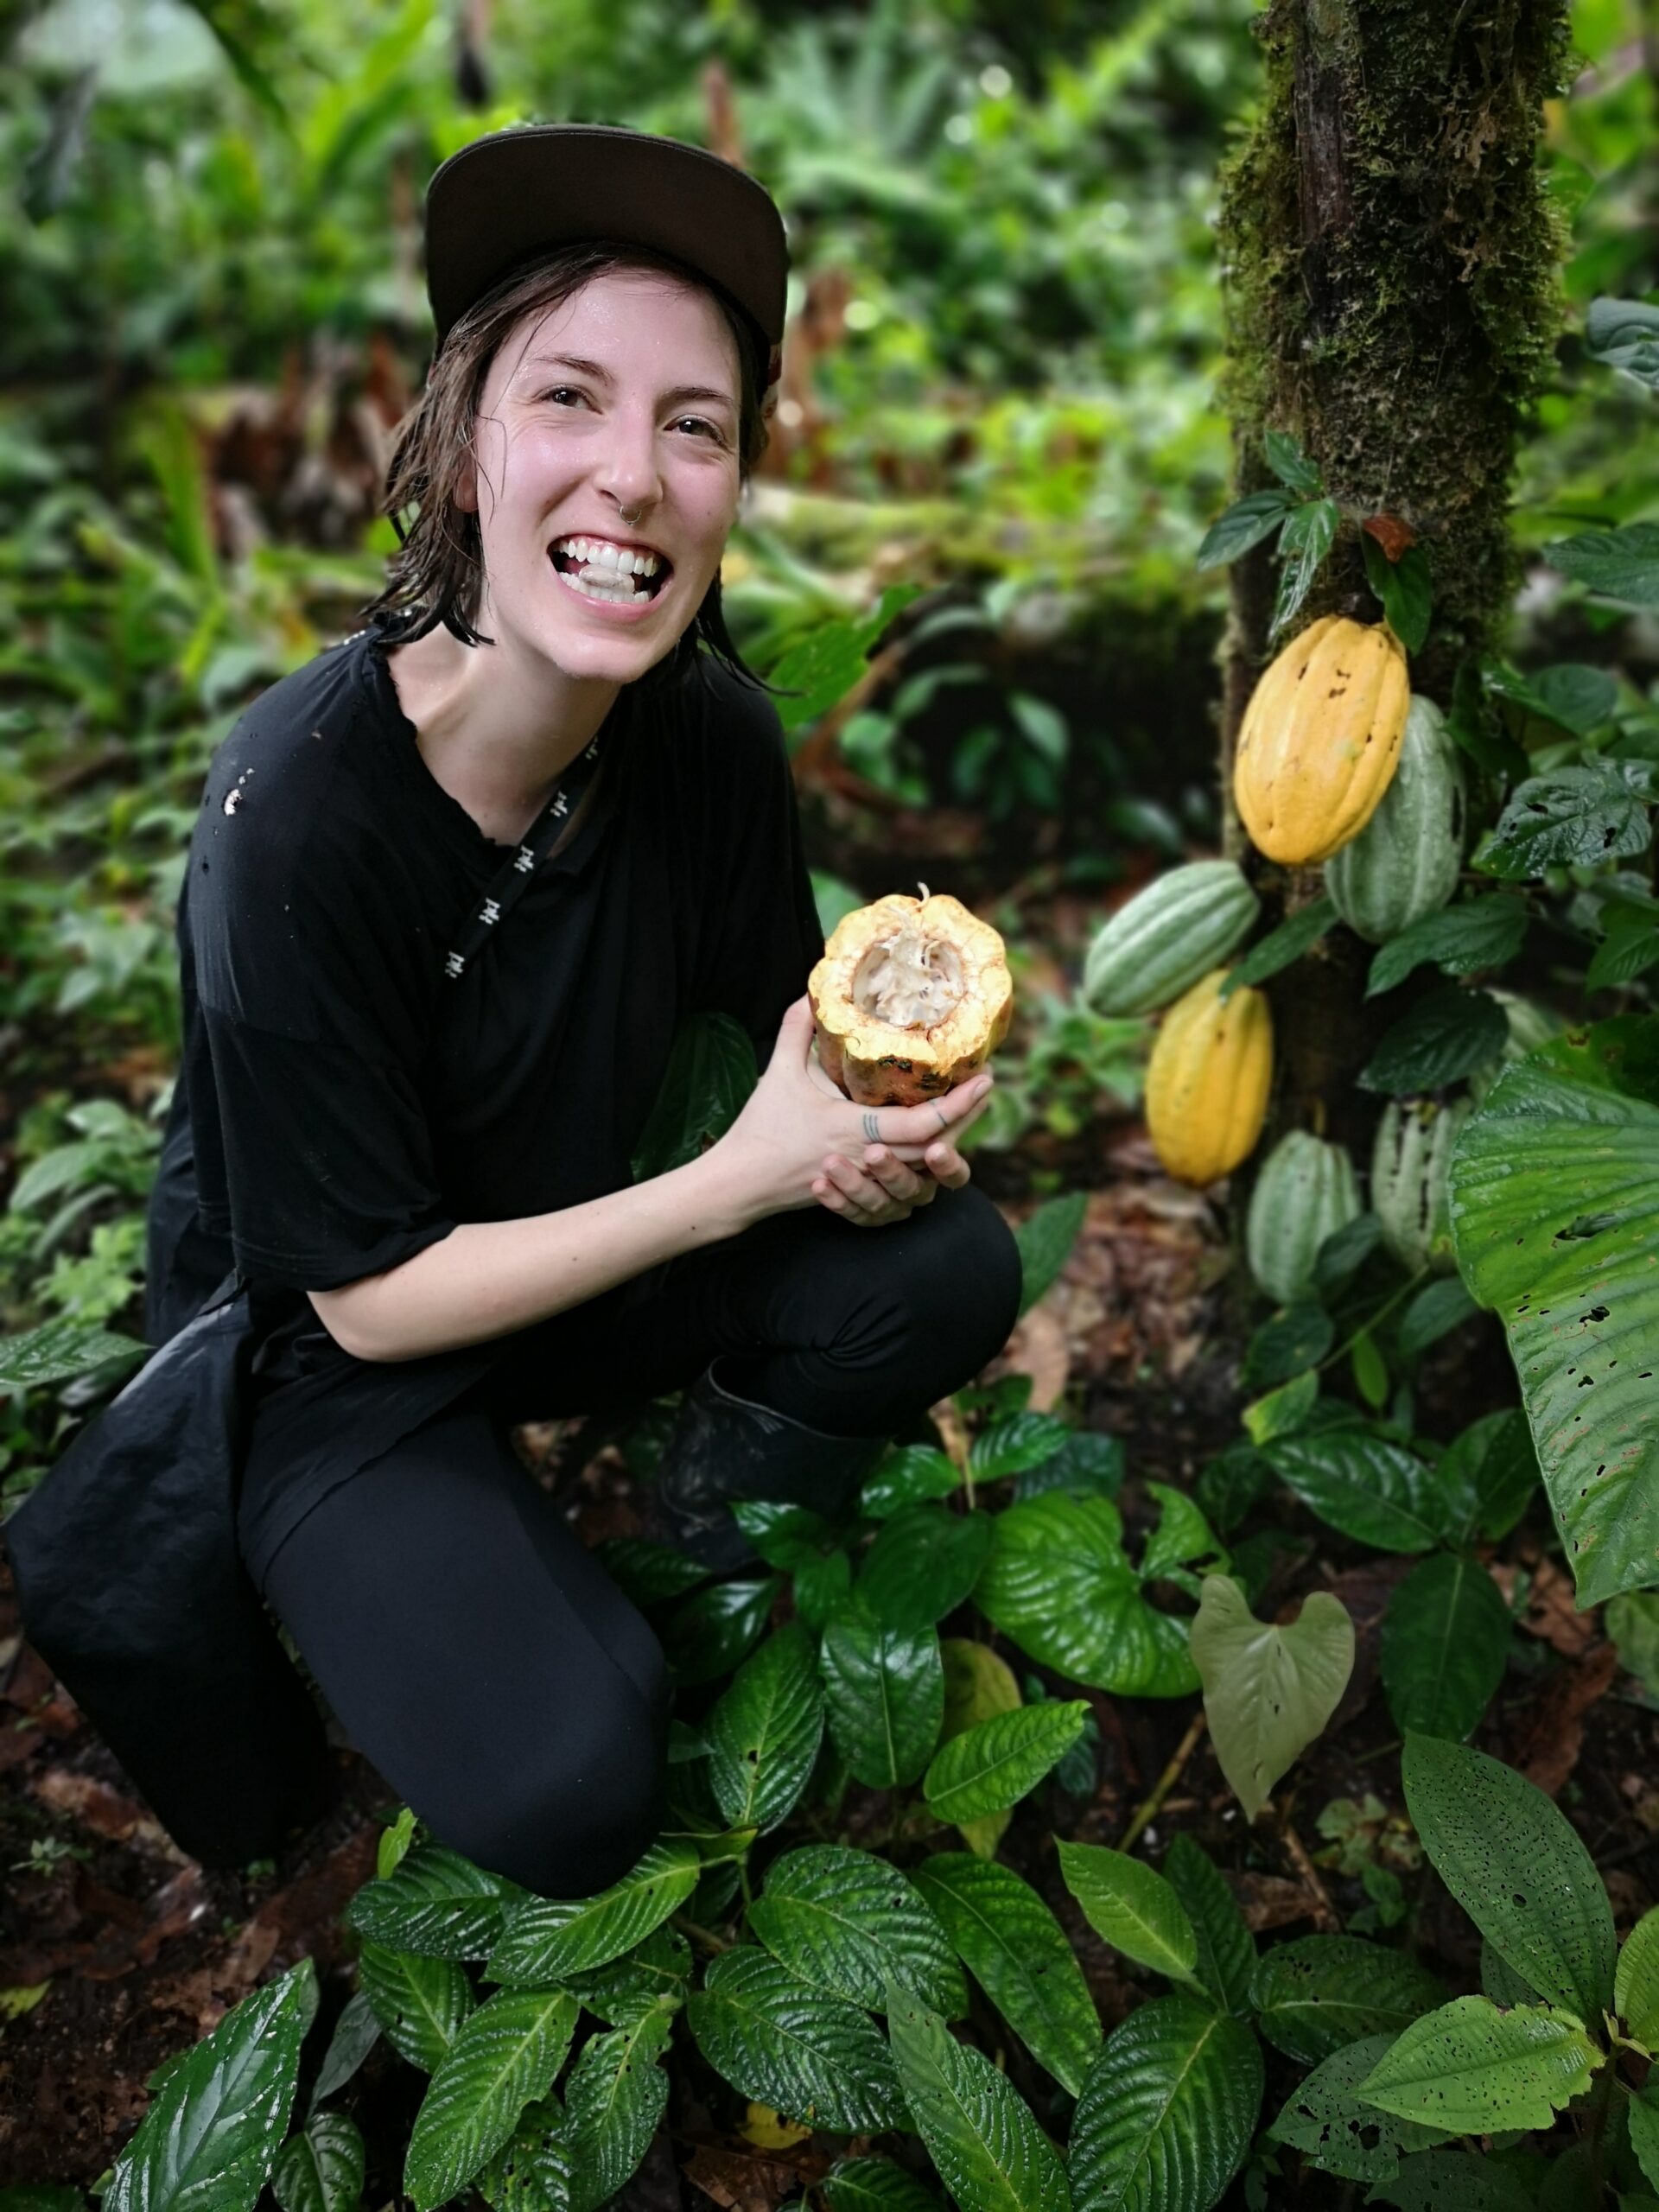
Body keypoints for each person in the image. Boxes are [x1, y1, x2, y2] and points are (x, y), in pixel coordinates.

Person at [143, 123, 1024, 1898]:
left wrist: (868, 1135)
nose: (634, 474)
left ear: (733, 488)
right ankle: (395, 1551)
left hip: (577, 1236)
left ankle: (697, 1514)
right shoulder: (292, 815)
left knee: (950, 1270)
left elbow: (765, 1068)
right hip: (339, 1343)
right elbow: (372, 1300)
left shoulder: (707, 742)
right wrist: (749, 1178)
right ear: (464, 447)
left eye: (693, 425)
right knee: (581, 1780)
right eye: (571, 399)